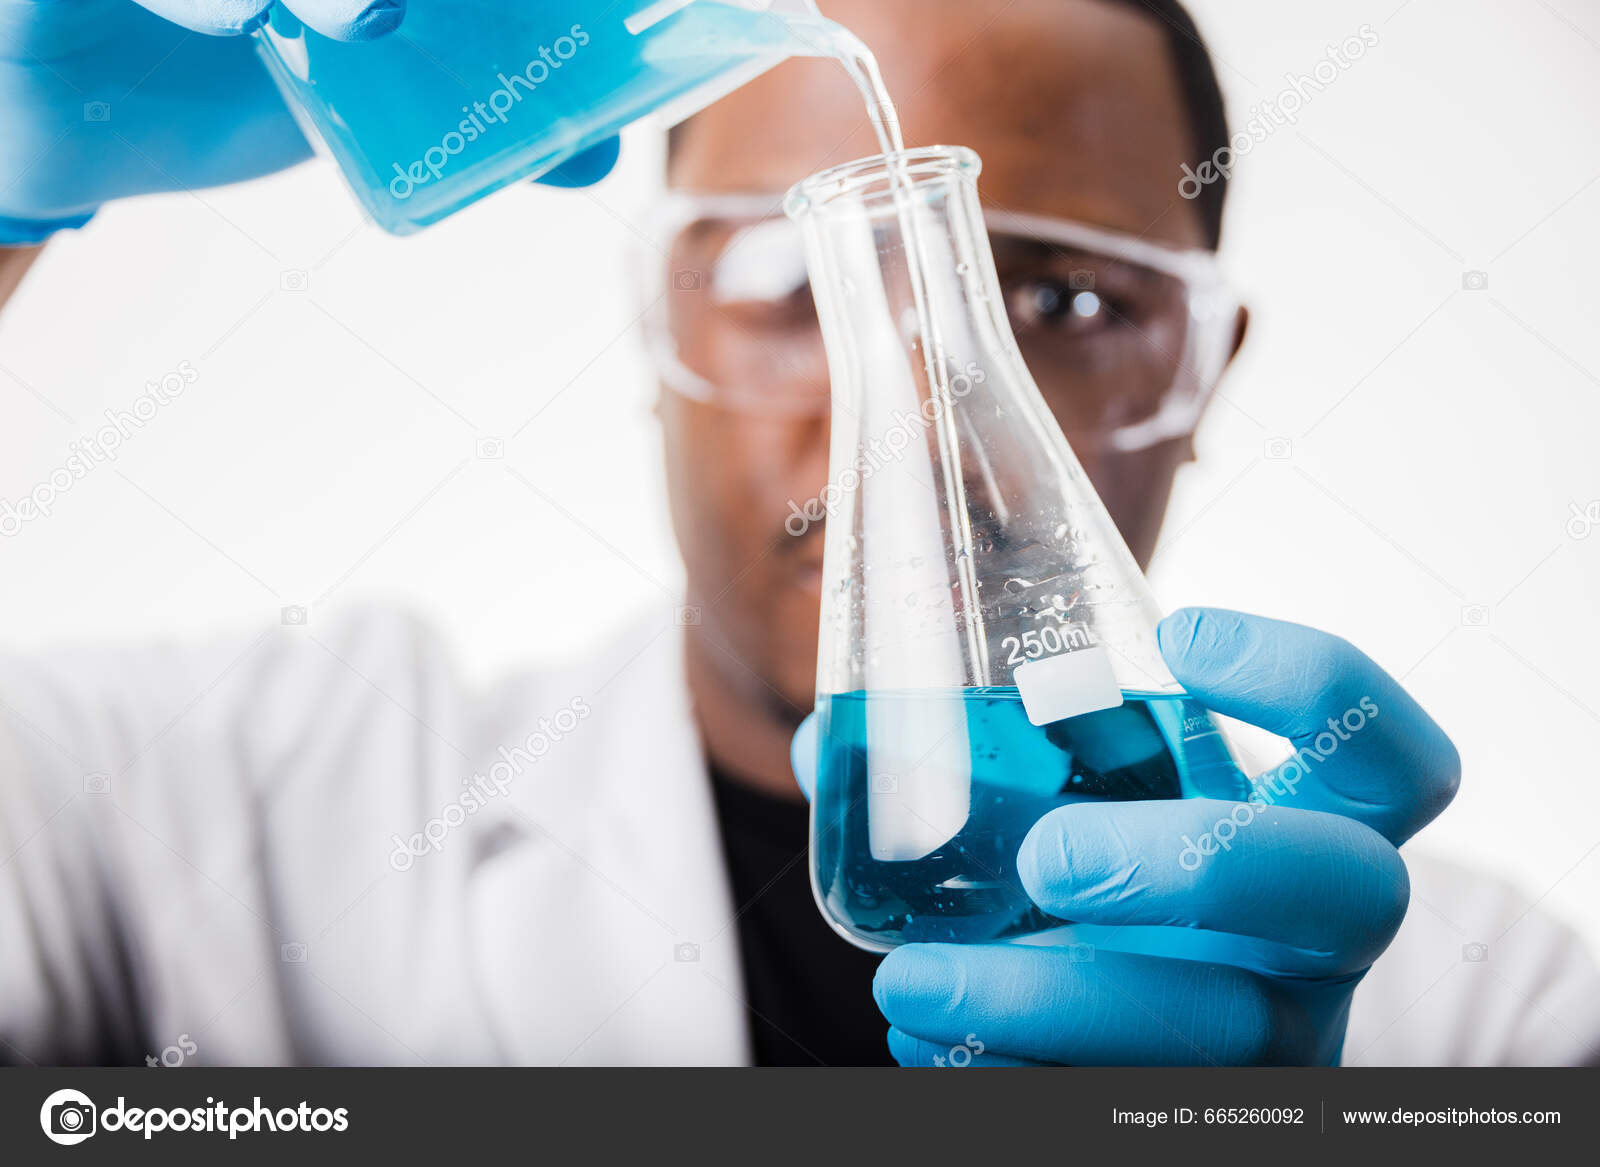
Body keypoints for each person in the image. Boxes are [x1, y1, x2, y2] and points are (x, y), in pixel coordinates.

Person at [0, 0, 1596, 1067]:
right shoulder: (184, 817)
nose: (907, 432)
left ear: (1196, 375)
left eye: (1068, 300)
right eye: (782, 284)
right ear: (653, 328)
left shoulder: (1486, 1025)